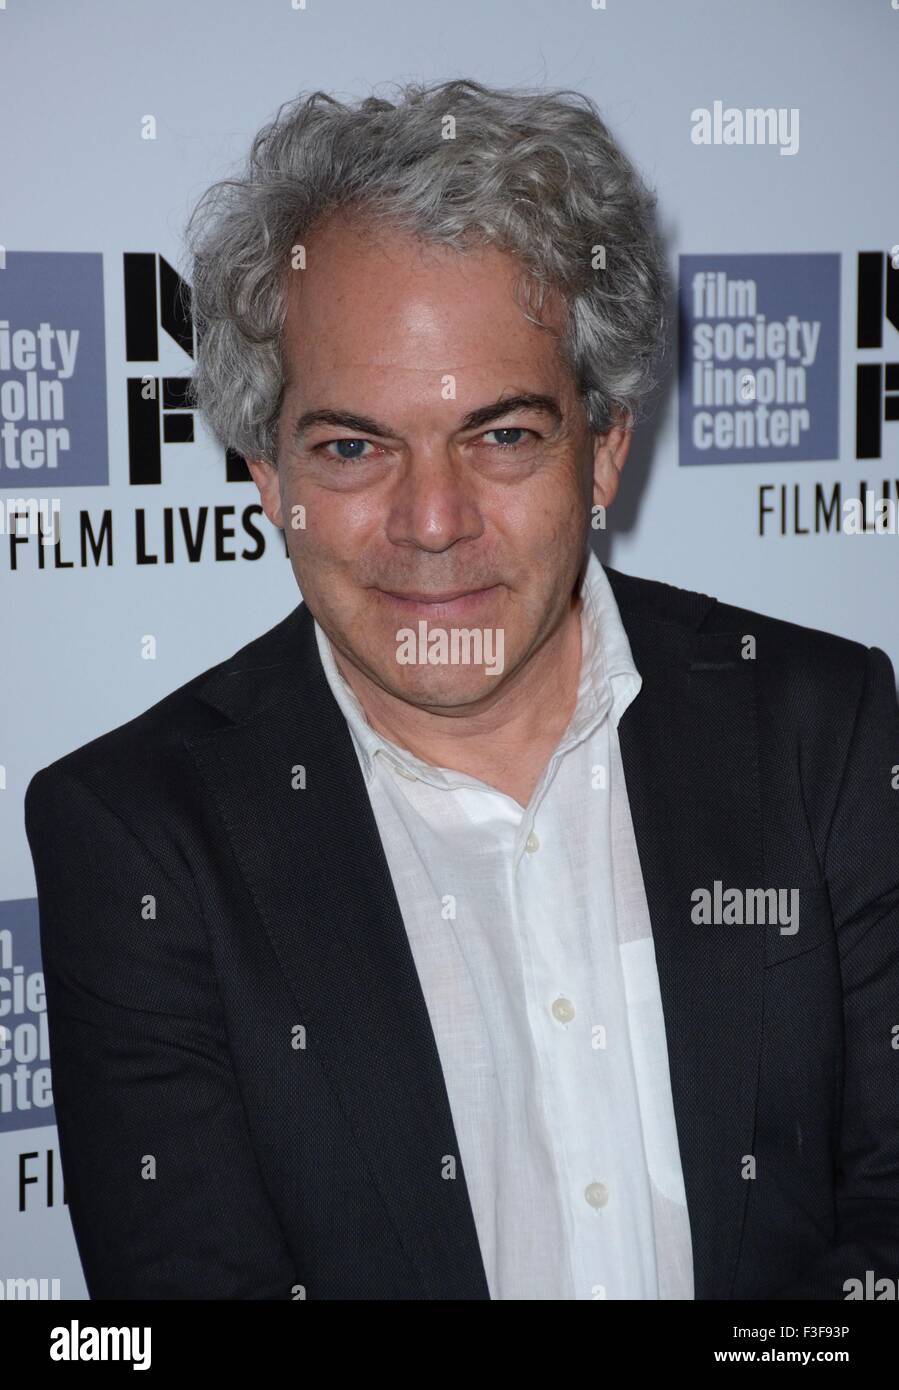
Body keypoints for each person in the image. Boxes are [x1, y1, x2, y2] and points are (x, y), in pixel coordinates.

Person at [25, 78, 899, 1300]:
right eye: (350, 447)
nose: (430, 524)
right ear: (264, 473)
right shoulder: (138, 834)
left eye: (500, 437)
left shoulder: (820, 724)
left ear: (602, 448)